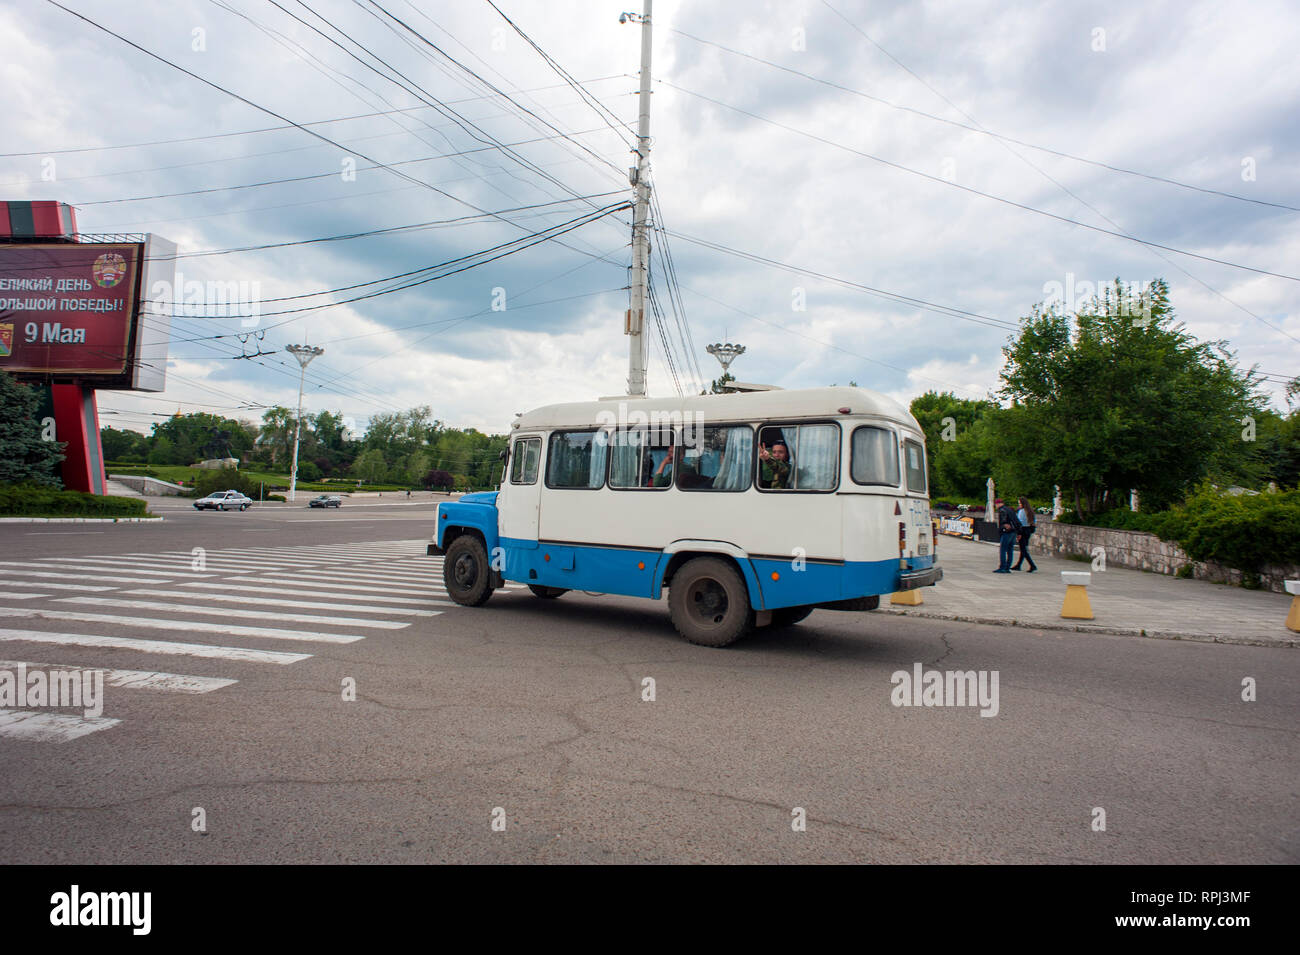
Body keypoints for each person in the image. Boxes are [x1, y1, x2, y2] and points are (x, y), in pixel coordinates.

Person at [993, 497, 1020, 573]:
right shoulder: (1010, 510)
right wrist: (1018, 531)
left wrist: (1002, 527)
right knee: (1010, 550)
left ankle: (1002, 567)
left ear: (998, 504)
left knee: (1003, 550)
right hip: (1014, 532)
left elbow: (1003, 521)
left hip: (1007, 532)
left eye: (996, 504)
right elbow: (1016, 520)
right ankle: (1007, 567)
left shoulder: (1002, 510)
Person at [1011, 495, 1038, 572]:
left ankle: (1032, 565)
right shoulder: (1030, 511)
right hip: (1028, 530)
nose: (1019, 505)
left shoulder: (1022, 512)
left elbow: (1019, 522)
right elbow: (1033, 521)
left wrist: (1018, 532)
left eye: (1019, 503)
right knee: (1024, 547)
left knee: (1023, 549)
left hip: (1022, 530)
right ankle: (1018, 565)